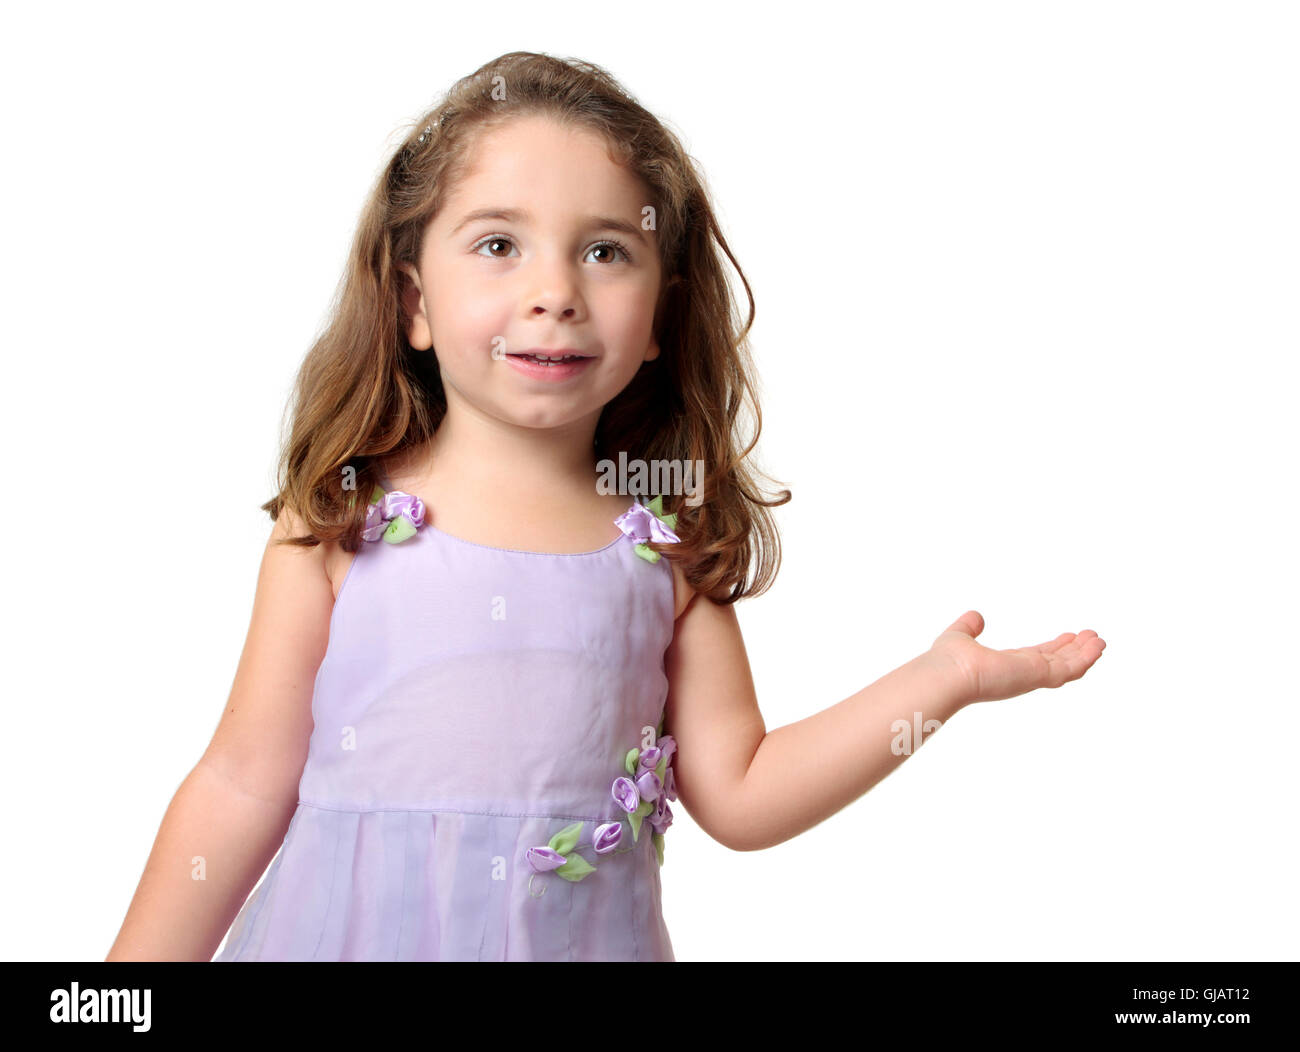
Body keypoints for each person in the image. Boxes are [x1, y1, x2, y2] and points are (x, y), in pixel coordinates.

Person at [106, 51, 1106, 962]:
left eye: (604, 252)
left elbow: (744, 788)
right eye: (498, 243)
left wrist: (939, 682)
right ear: (413, 300)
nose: (554, 291)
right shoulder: (338, 525)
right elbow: (239, 784)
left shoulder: (663, 548)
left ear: (663, 313)